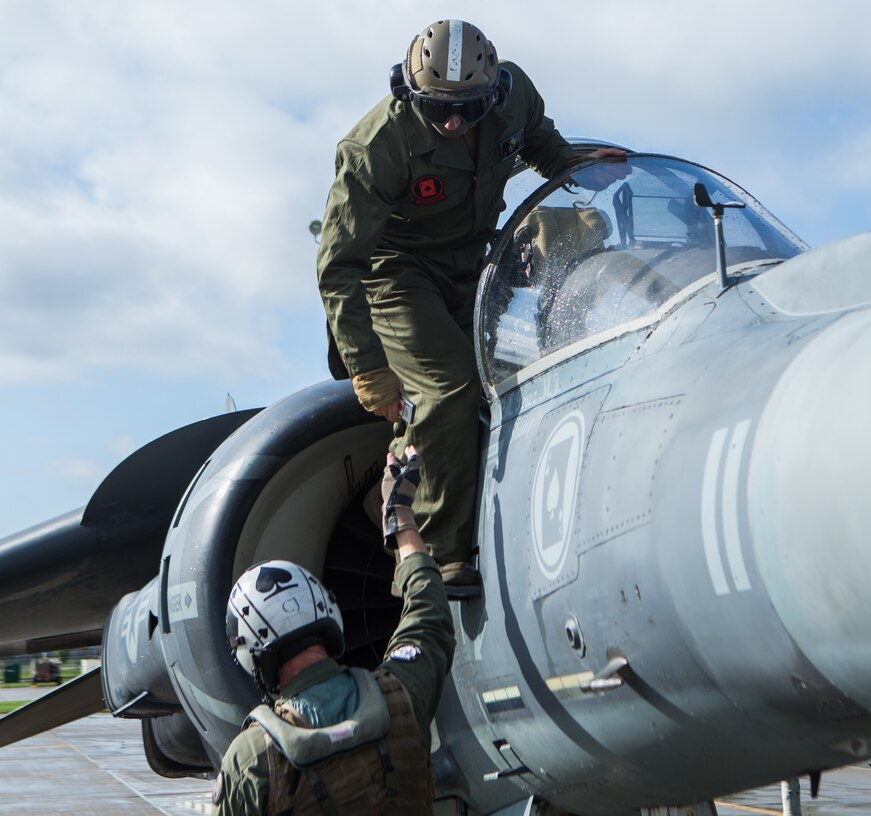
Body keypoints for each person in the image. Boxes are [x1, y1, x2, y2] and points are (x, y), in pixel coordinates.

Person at [317, 19, 626, 587]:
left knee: (496, 386)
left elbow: (542, 146)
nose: (452, 121)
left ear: (495, 93)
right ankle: (433, 556)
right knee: (450, 386)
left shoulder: (516, 97)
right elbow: (338, 266)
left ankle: (401, 497)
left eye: (466, 107)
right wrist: (368, 369)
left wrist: (578, 167)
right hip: (397, 274)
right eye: (436, 109)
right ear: (408, 93)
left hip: (473, 266)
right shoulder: (376, 147)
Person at [213, 446, 454, 815]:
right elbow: (429, 609)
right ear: (325, 613)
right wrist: (399, 517)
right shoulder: (402, 695)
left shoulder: (251, 760)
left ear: (254, 655)